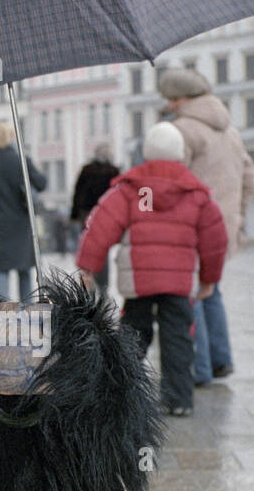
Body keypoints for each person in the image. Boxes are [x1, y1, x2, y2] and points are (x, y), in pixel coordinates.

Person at [76, 121, 227, 416]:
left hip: (139, 282)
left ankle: (120, 398)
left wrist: (87, 267)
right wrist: (210, 279)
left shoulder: (130, 189)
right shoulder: (195, 193)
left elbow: (99, 226)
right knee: (179, 338)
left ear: (146, 153)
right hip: (178, 285)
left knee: (133, 337)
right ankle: (179, 400)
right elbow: (215, 239)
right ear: (181, 154)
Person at [158, 67, 254, 385]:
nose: (170, 104)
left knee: (190, 294)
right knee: (211, 289)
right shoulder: (230, 130)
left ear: (183, 99)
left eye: (172, 99)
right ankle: (220, 360)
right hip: (224, 225)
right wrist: (237, 215)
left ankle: (198, 370)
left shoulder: (182, 130)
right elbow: (249, 176)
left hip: (192, 226)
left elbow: (172, 180)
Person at [0, 121, 47, 301]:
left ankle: (1, 319)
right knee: (25, 272)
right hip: (21, 226)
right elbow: (42, 183)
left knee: (0, 273)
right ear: (12, 138)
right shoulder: (21, 161)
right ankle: (28, 316)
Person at [70, 144, 119, 294]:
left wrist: (75, 215)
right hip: (106, 215)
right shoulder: (114, 171)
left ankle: (87, 285)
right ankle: (103, 285)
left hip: (87, 214)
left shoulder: (87, 170)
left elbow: (77, 193)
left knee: (87, 248)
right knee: (103, 250)